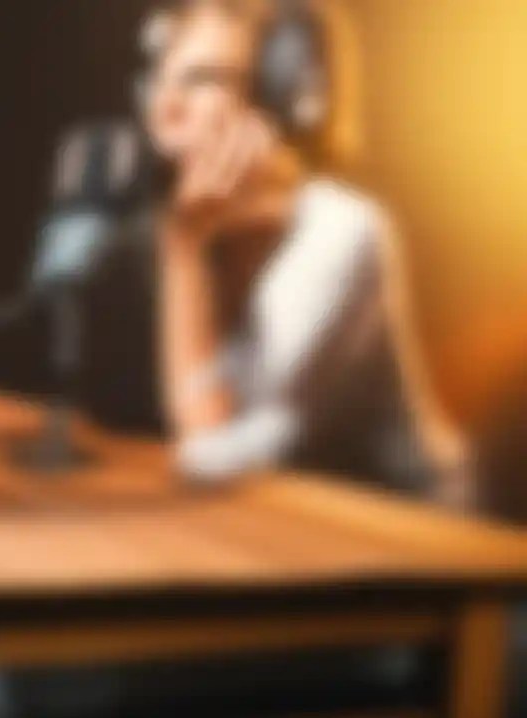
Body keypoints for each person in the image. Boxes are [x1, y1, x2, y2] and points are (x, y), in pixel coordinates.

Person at [141, 0, 469, 495]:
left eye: (204, 78)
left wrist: (182, 252)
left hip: (412, 522)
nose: (165, 108)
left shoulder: (343, 231)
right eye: (163, 79)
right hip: (284, 514)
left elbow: (212, 454)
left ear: (285, 96)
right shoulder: (204, 230)